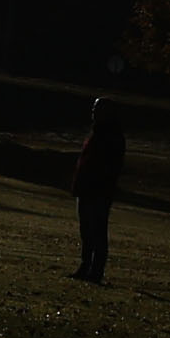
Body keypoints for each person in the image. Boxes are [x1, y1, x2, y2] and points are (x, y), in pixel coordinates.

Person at [71, 97, 124, 283]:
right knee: (87, 230)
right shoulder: (97, 132)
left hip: (98, 191)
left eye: (97, 108)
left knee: (97, 231)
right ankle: (87, 266)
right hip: (88, 189)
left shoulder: (110, 136)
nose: (94, 112)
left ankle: (95, 270)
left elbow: (110, 167)